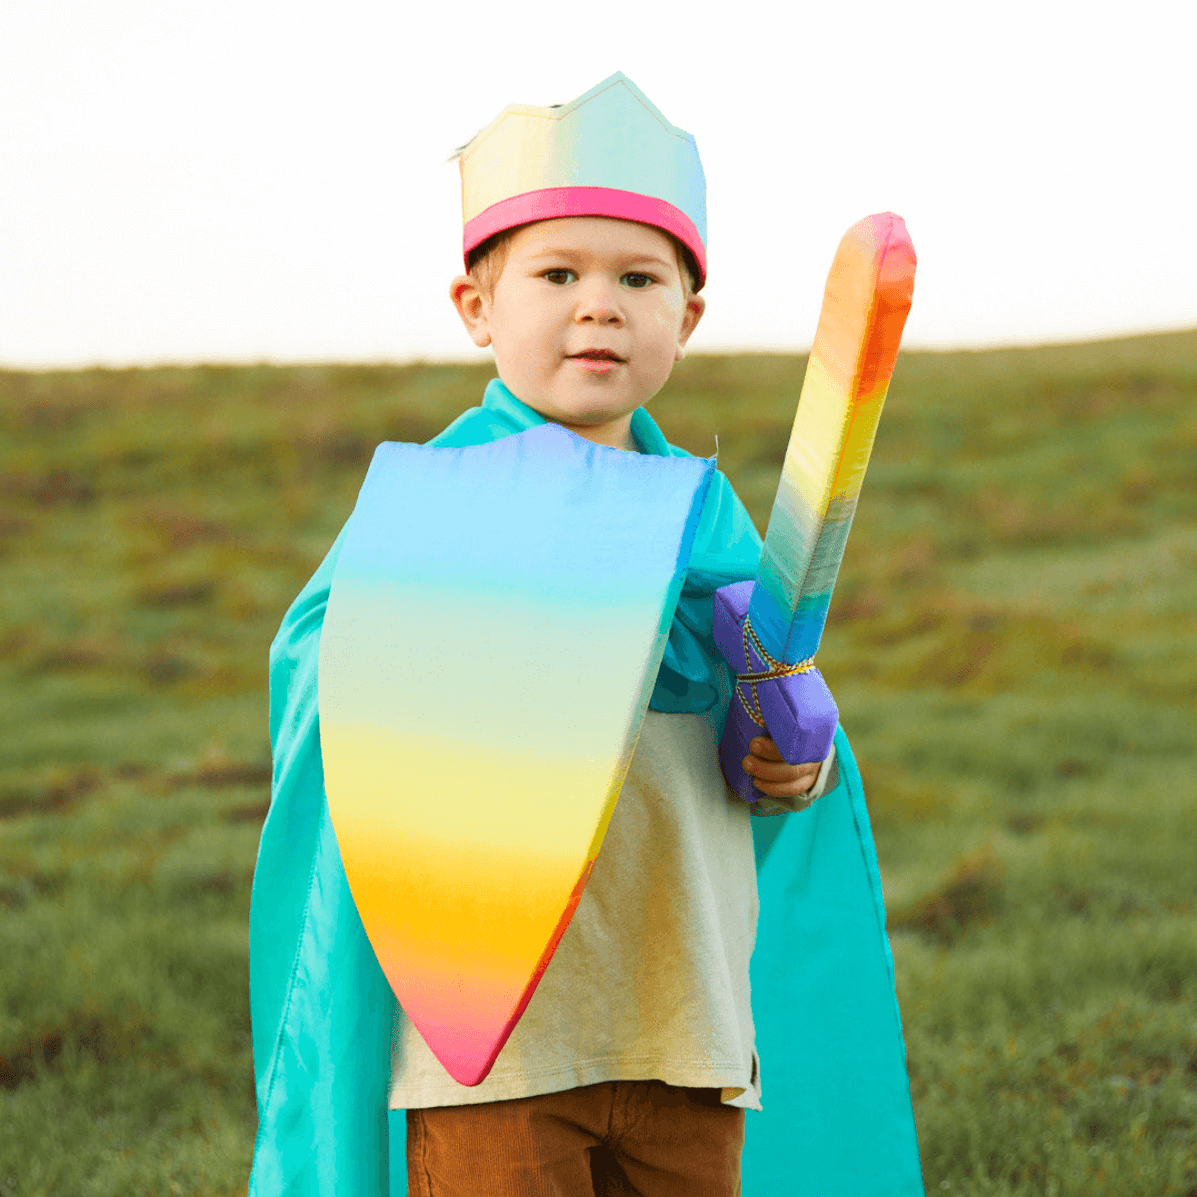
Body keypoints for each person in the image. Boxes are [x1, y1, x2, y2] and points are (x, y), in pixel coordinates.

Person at [248, 73, 924, 1197]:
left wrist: (789, 753)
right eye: (557, 274)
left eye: (638, 278)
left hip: (685, 1026)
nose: (598, 304)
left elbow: (771, 711)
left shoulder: (709, 516)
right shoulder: (432, 505)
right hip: (495, 1048)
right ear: (478, 308)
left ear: (686, 317)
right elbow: (330, 668)